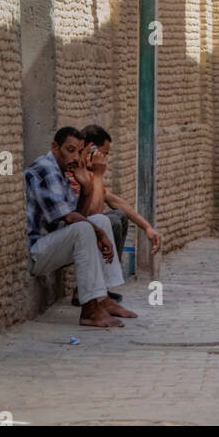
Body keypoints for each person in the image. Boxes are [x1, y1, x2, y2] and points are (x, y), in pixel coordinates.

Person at [24, 126, 137, 329]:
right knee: (88, 228)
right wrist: (99, 234)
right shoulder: (45, 169)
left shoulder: (63, 171)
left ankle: (103, 298)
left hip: (54, 246)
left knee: (99, 220)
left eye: (78, 151)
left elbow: (83, 215)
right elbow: (70, 218)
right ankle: (90, 309)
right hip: (37, 252)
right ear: (55, 147)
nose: (75, 157)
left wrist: (86, 190)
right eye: (70, 150)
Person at [67, 124, 162, 308]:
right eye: (104, 154)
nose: (104, 160)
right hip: (70, 234)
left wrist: (147, 227)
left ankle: (101, 286)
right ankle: (91, 290)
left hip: (86, 231)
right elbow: (94, 213)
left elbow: (116, 202)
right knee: (110, 221)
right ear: (91, 149)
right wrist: (98, 174)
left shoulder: (87, 174)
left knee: (119, 216)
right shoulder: (74, 174)